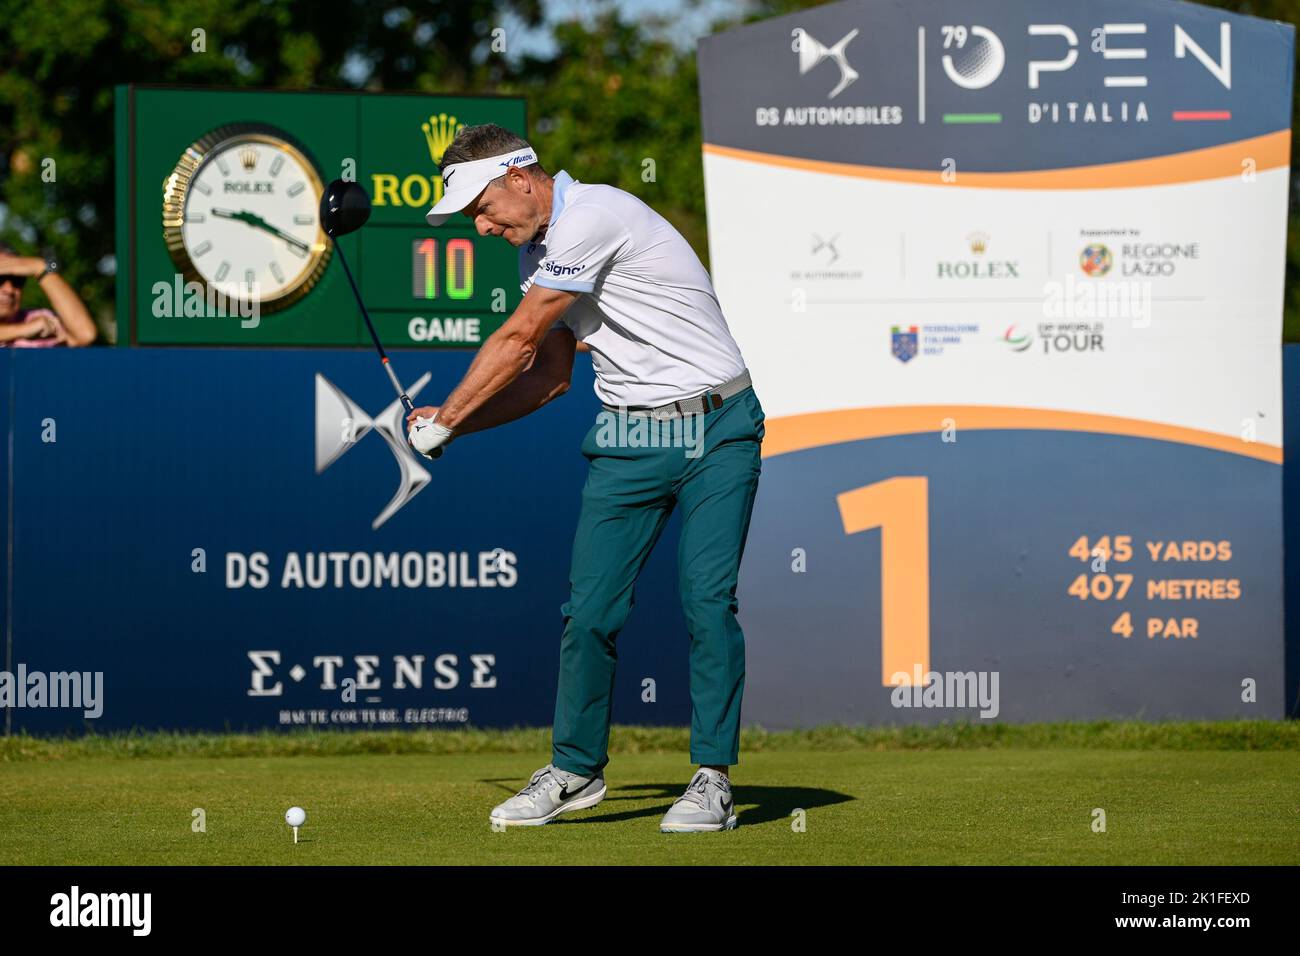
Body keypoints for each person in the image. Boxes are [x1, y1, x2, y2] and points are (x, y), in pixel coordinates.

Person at [410, 124, 763, 832]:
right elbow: (548, 380)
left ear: (519, 176)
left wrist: (444, 419)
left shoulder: (591, 218)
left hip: (718, 424)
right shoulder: (536, 252)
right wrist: (453, 425)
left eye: (482, 208)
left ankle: (710, 779)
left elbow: (515, 340)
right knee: (590, 613)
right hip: (629, 434)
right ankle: (574, 772)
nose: (480, 227)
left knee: (705, 601)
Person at [0, 243, 95, 347]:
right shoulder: (32, 325)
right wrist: (24, 329)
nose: (9, 290)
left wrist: (41, 267)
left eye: (17, 280)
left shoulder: (37, 319)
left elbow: (84, 335)